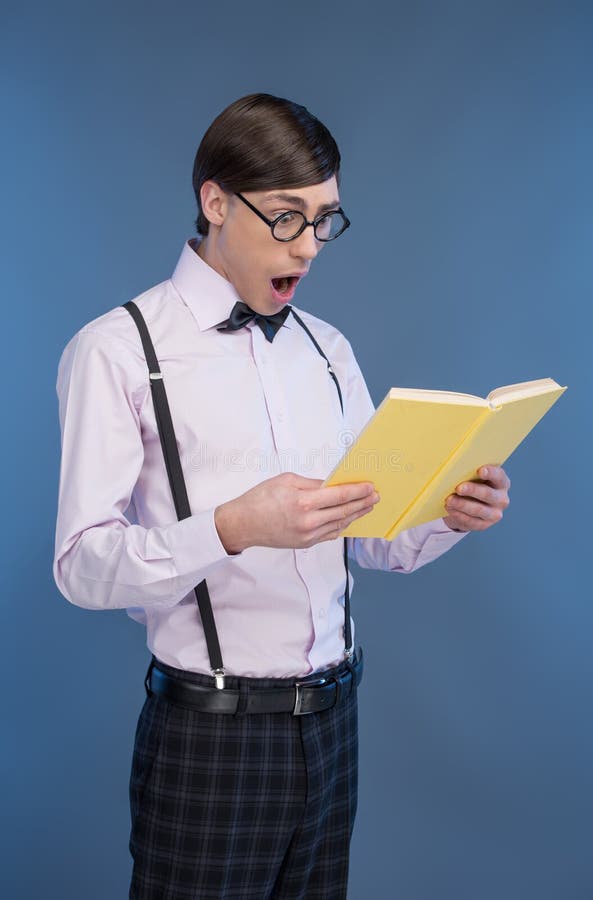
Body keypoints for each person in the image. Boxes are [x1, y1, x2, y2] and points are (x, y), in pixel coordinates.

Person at [53, 93, 511, 900]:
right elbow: (81, 567)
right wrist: (231, 527)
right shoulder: (119, 351)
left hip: (333, 722)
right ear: (215, 201)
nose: (309, 246)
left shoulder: (326, 350)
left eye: (325, 220)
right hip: (210, 735)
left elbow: (370, 536)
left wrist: (447, 512)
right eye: (286, 219)